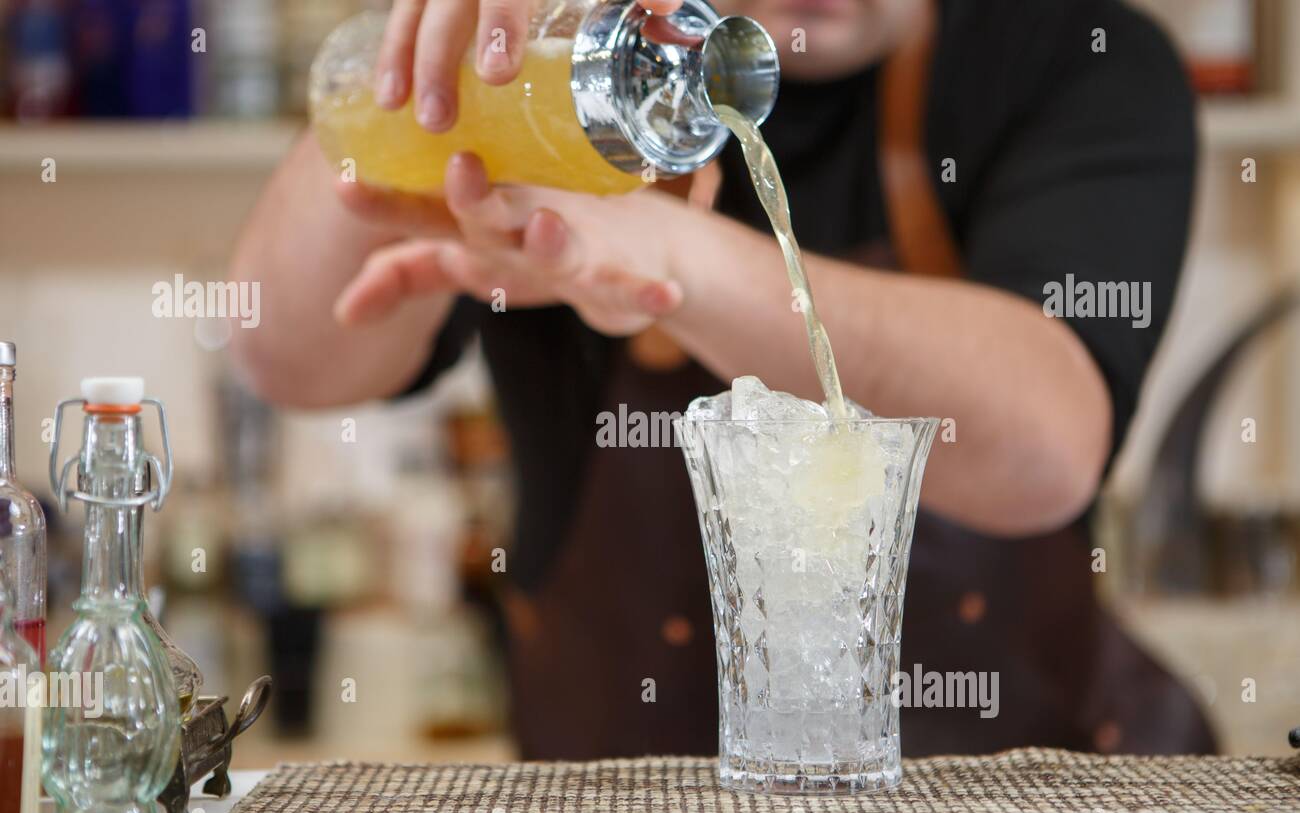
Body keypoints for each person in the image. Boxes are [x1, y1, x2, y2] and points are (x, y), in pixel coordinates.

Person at [230, 0, 1215, 759]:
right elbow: (288, 349)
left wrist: (667, 260)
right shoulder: (566, 68)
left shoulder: (1076, 55)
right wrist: (429, 69)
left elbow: (1041, 443)